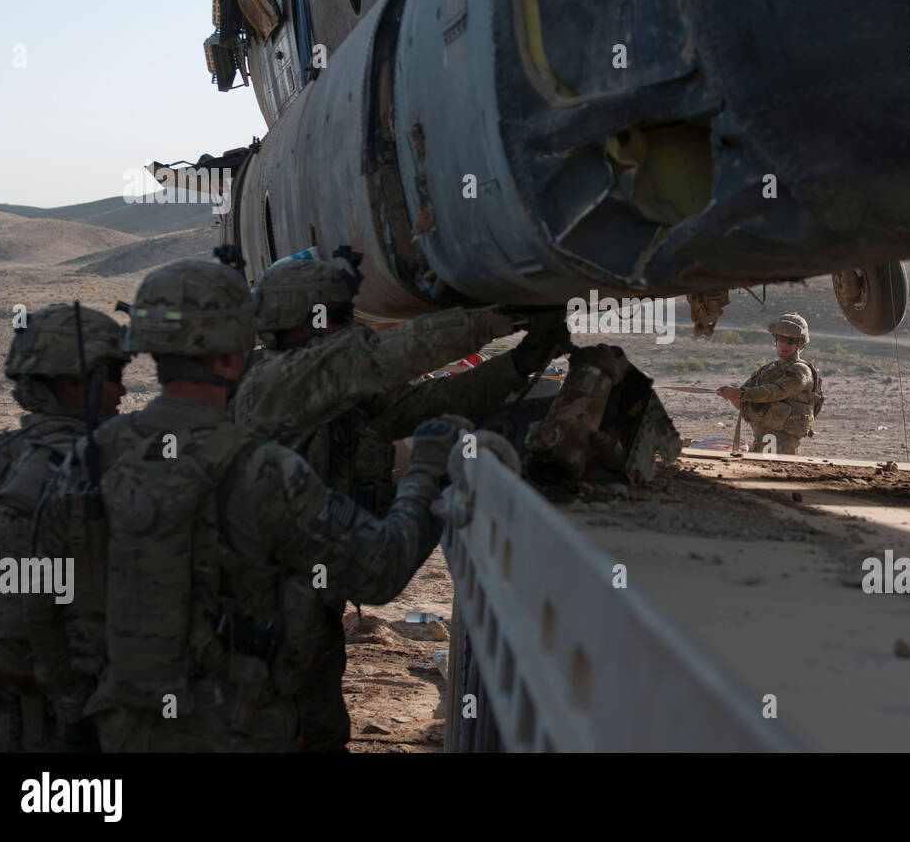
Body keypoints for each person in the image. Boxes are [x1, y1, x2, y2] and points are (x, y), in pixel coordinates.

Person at [28, 259, 474, 752]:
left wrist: (81, 716)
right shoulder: (263, 470)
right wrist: (427, 471)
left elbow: (42, 611)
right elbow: (381, 570)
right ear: (235, 351)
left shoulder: (83, 461)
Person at [232, 254, 569, 750]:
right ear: (303, 321)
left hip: (306, 608)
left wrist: (520, 362)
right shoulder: (277, 384)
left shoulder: (328, 392)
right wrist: (504, 318)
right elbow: (386, 356)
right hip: (267, 615)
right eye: (339, 317)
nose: (351, 328)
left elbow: (419, 406)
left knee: (319, 731)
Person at [0, 304, 127, 751]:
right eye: (113, 375)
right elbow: (8, 580)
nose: (121, 390)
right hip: (50, 704)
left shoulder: (6, 455)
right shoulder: (58, 464)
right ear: (74, 385)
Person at [716, 313, 823, 455]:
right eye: (781, 339)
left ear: (801, 344)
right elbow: (745, 401)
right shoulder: (766, 370)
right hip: (761, 440)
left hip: (784, 443)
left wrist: (741, 393)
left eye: (790, 341)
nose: (784, 345)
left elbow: (777, 391)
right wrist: (732, 395)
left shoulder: (801, 371)